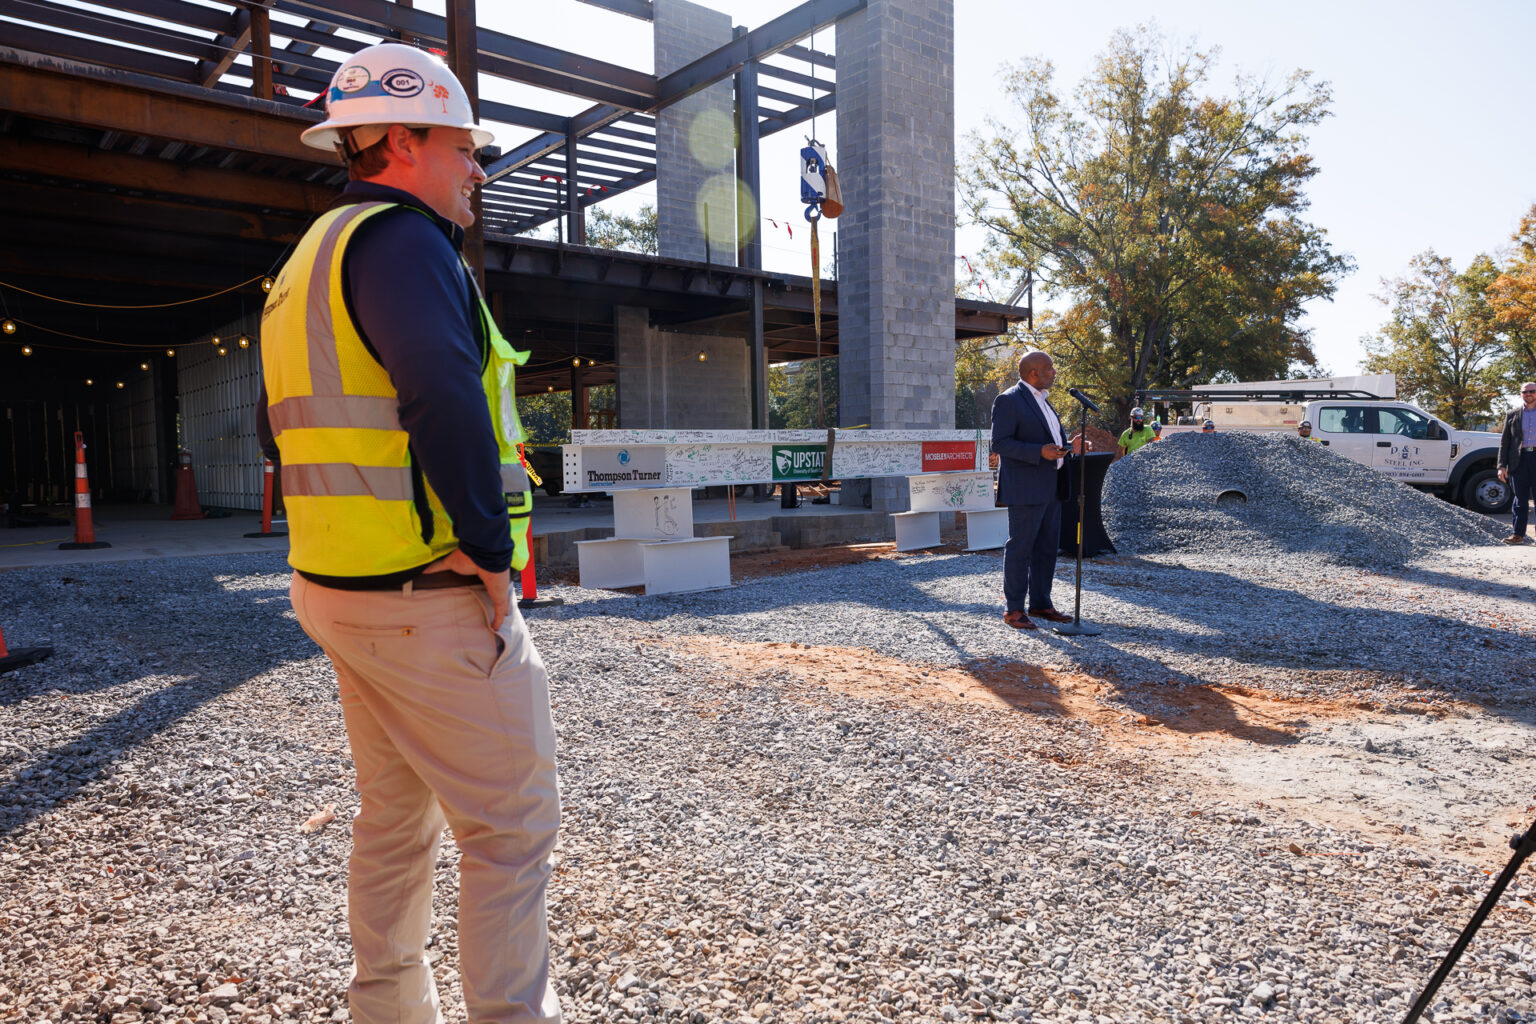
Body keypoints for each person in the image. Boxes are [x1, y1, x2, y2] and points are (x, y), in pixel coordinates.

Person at [255, 42, 561, 1024]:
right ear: (399, 139)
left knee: (394, 817)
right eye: (465, 146)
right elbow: (436, 388)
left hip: (336, 587)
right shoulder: (404, 243)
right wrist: (489, 543)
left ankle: (387, 1010)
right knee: (510, 829)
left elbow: (281, 424)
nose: (478, 167)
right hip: (425, 594)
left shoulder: (309, 258)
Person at [991, 352, 1074, 630]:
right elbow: (1001, 443)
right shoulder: (1009, 400)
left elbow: (1050, 439)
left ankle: (1040, 603)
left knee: (1046, 548)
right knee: (1021, 549)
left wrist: (1070, 445)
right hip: (1025, 488)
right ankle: (1013, 609)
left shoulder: (1044, 402)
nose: (1054, 373)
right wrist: (1039, 451)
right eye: (1050, 369)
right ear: (1033, 373)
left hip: (1051, 486)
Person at [1497, 381, 1536, 544]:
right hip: (1518, 462)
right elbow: (1505, 442)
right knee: (1520, 499)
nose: (1528, 394)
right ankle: (1517, 535)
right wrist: (1501, 466)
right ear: (1520, 394)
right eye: (1525, 392)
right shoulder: (1512, 414)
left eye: (1532, 391)